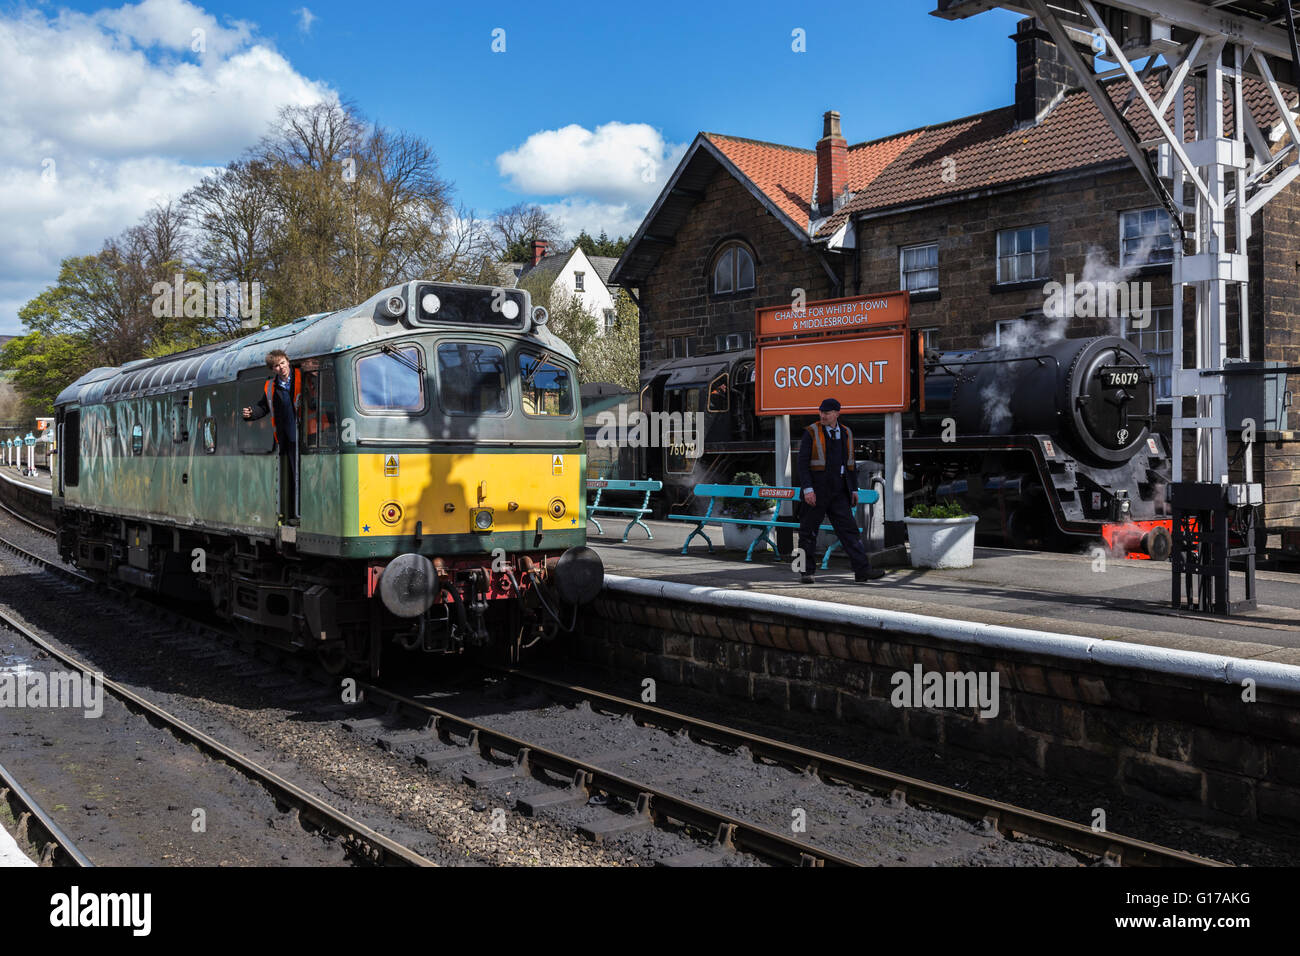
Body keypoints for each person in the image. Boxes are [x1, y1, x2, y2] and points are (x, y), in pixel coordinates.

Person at [796, 397, 885, 584]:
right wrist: (808, 490)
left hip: (839, 491)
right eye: (821, 412)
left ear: (837, 413)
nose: (823, 416)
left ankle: (862, 572)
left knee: (849, 532)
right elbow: (802, 465)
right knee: (808, 532)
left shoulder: (846, 433)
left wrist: (853, 489)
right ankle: (806, 572)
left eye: (827, 413)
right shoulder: (811, 433)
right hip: (817, 490)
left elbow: (850, 464)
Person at [242, 349, 301, 522]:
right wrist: (252, 413)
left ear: (288, 361)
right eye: (276, 366)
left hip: (307, 436)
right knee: (293, 475)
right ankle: (294, 513)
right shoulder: (271, 386)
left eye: (282, 363)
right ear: (272, 369)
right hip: (287, 437)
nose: (281, 367)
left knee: (303, 475)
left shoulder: (303, 377)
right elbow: (264, 407)